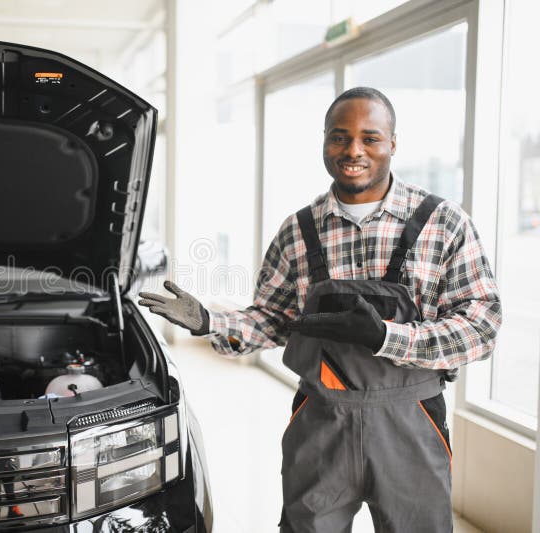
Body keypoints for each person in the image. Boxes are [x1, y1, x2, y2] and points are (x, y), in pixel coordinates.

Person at [138, 87, 501, 533]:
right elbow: (273, 320)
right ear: (324, 141)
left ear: (393, 143)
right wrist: (212, 321)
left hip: (411, 422)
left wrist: (390, 337)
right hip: (321, 420)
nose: (353, 151)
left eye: (370, 138)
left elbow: (482, 327)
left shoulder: (443, 223)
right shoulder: (298, 231)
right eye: (339, 136)